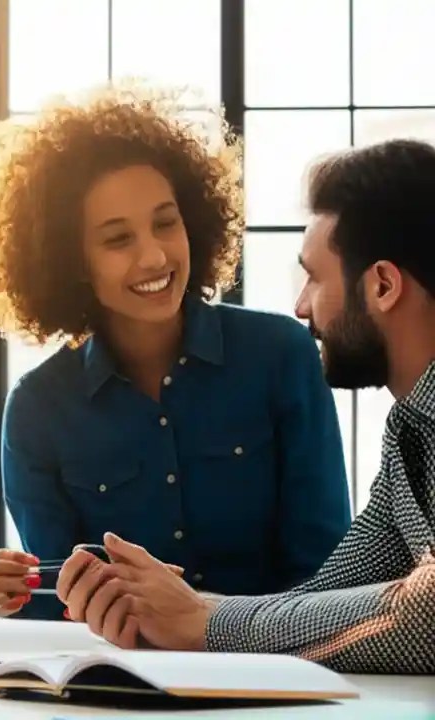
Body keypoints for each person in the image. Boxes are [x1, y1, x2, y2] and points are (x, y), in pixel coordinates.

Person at [55, 138, 435, 674]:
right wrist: (165, 606)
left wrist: (203, 623)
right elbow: (329, 596)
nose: (301, 306)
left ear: (383, 285)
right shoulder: (410, 432)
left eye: (314, 277)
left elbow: (426, 616)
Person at [0, 83, 350, 619]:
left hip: (272, 661)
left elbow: (325, 572)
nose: (154, 257)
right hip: (119, 668)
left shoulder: (280, 356)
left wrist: (215, 626)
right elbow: (59, 603)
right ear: (71, 260)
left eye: (166, 223)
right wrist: (21, 591)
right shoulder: (38, 409)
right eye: (117, 239)